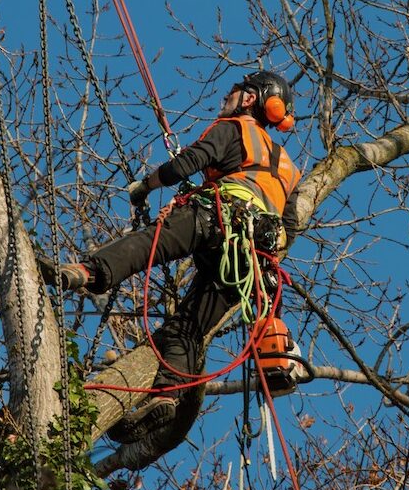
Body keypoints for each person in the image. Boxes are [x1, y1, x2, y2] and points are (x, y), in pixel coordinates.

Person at [40, 71, 303, 441]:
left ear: (250, 99)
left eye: (234, 92)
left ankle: (85, 273)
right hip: (252, 262)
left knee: (152, 243)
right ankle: (166, 398)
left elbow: (184, 165)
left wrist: (145, 186)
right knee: (187, 330)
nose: (225, 97)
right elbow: (288, 230)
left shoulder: (235, 129)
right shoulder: (289, 168)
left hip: (217, 216)